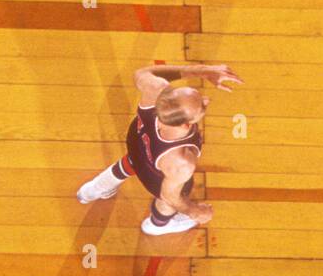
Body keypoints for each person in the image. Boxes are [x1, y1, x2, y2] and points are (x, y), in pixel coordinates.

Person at [75, 62, 242, 235]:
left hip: (137, 143)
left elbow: (141, 72)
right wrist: (193, 210)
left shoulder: (156, 89)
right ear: (185, 125)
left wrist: (203, 71)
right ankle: (156, 226)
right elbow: (170, 196)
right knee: (174, 195)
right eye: (202, 106)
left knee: (135, 159)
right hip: (156, 174)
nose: (207, 100)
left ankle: (96, 188)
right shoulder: (181, 162)